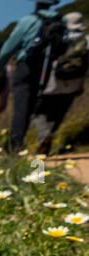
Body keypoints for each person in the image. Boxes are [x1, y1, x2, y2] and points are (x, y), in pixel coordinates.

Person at [0, 0, 65, 153]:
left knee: (22, 107)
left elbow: (8, 48)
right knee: (36, 104)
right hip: (47, 68)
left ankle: (14, 145)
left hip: (26, 66)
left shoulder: (28, 20)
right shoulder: (61, 21)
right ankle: (43, 136)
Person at [34, 11, 87, 154]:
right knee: (59, 113)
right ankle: (49, 134)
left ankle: (44, 135)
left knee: (39, 111)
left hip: (54, 81)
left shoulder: (59, 36)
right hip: (74, 82)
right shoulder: (86, 40)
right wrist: (81, 85)